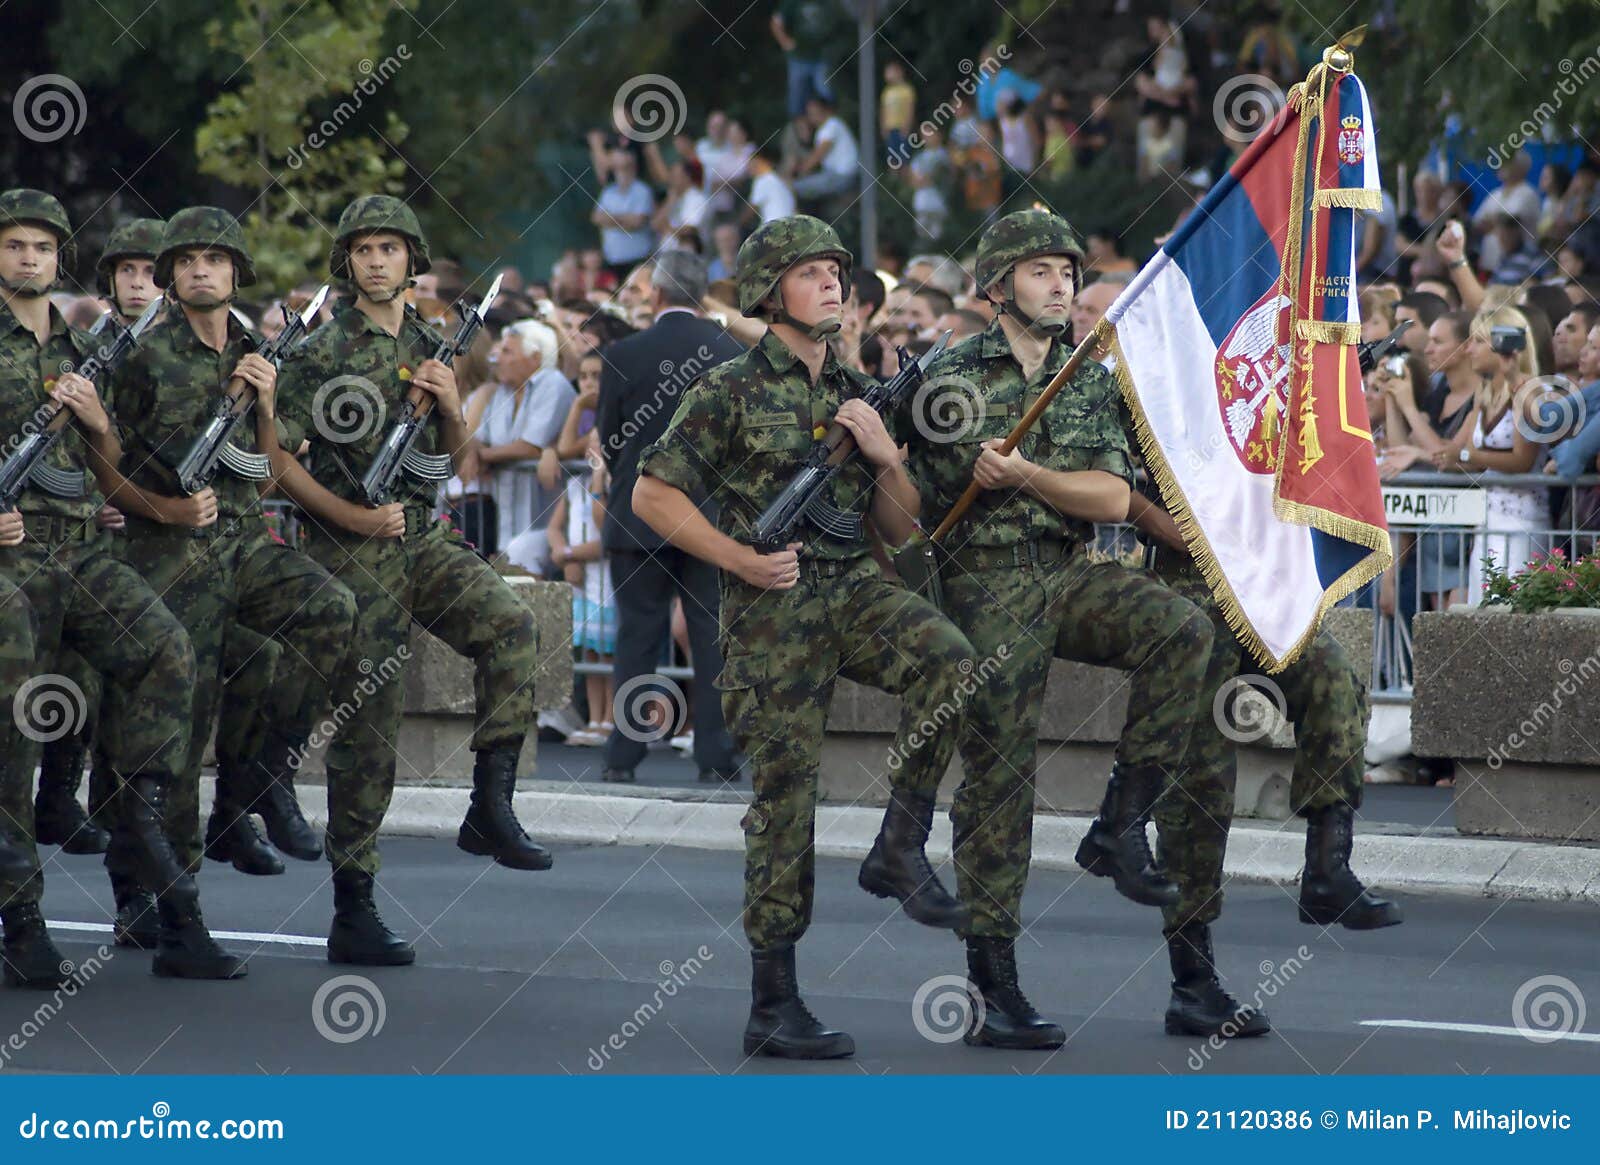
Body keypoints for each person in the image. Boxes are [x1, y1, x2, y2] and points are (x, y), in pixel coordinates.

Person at [634, 215, 978, 1059]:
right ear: (767, 291)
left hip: (852, 587)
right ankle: (774, 1001)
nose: (832, 282)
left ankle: (899, 842)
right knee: (786, 805)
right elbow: (653, 495)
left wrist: (886, 455)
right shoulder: (728, 389)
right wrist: (737, 561)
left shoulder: (856, 390)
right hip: (773, 612)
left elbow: (898, 528)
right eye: (810, 271)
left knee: (956, 662)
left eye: (836, 269)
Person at [904, 208, 1216, 1048]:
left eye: (1069, 272)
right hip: (986, 582)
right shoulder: (951, 374)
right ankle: (993, 984)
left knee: (1181, 627)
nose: (1061, 286)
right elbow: (916, 497)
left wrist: (1030, 473)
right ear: (997, 288)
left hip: (1067, 569)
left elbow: (1112, 499)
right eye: (1042, 272)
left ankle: (1121, 821)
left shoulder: (1085, 374)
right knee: (1001, 779)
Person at [274, 195, 555, 967]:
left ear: (410, 260)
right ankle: (353, 903)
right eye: (362, 249)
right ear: (348, 262)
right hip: (349, 545)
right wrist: (352, 517)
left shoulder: (436, 341)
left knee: (510, 626)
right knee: (369, 726)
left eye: (389, 248)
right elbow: (278, 458)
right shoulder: (320, 350)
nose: (375, 260)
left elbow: (455, 462)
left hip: (421, 535)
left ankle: (489, 804)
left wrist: (455, 405)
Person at [105, 205, 359, 919]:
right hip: (170, 553)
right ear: (170, 276)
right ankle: (163, 904)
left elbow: (270, 471)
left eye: (213, 259)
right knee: (180, 726)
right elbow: (103, 462)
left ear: (236, 271)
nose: (198, 270)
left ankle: (261, 780)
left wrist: (270, 404)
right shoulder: (145, 357)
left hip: (243, 542)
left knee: (332, 611)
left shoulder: (252, 346)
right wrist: (166, 510)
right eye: (185, 261)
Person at [0, 189, 199, 985]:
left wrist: (97, 418)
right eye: (14, 245)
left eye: (41, 248)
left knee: (166, 652)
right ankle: (19, 914)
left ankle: (138, 815)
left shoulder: (84, 347)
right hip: (9, 561)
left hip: (79, 554)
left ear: (59, 260)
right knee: (14, 733)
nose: (28, 259)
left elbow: (105, 456)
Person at [33, 218, 167, 861]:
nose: (139, 285)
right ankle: (58, 795)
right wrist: (103, 495)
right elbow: (81, 446)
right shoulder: (86, 347)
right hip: (87, 528)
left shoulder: (185, 347)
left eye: (149, 272)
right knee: (72, 674)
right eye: (127, 273)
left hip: (155, 527)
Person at [595, 250, 743, 784]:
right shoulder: (731, 350)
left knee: (637, 635)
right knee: (710, 635)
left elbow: (610, 440)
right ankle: (717, 753)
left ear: (656, 295)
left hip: (639, 514)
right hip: (708, 516)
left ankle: (623, 755)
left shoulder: (623, 352)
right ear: (703, 293)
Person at [461, 318, 575, 568]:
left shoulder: (553, 384)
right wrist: (476, 452)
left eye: (507, 351)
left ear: (534, 358)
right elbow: (479, 439)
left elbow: (530, 447)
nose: (496, 358)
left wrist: (482, 456)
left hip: (545, 522)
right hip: (506, 520)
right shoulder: (503, 391)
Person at [592, 150, 656, 282]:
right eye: (617, 168)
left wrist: (610, 219)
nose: (621, 172)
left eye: (625, 167)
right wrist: (625, 220)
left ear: (633, 168)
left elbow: (637, 222)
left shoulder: (642, 190)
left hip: (637, 260)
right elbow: (596, 218)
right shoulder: (608, 192)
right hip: (612, 260)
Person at [791, 96, 859, 203]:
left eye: (814, 112)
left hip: (841, 176)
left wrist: (799, 172)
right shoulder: (828, 127)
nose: (811, 116)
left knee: (793, 188)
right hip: (835, 175)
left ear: (824, 110)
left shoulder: (831, 125)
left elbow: (818, 155)